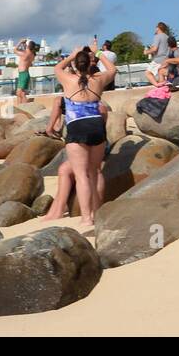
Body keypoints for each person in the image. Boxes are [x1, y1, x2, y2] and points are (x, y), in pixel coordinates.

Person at [44, 46, 117, 226]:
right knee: (96, 171)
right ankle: (97, 211)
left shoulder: (68, 79)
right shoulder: (98, 80)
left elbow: (57, 68)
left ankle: (86, 218)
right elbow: (113, 69)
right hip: (96, 125)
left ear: (76, 65)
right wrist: (98, 53)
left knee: (81, 174)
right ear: (90, 64)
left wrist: (72, 55)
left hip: (77, 127)